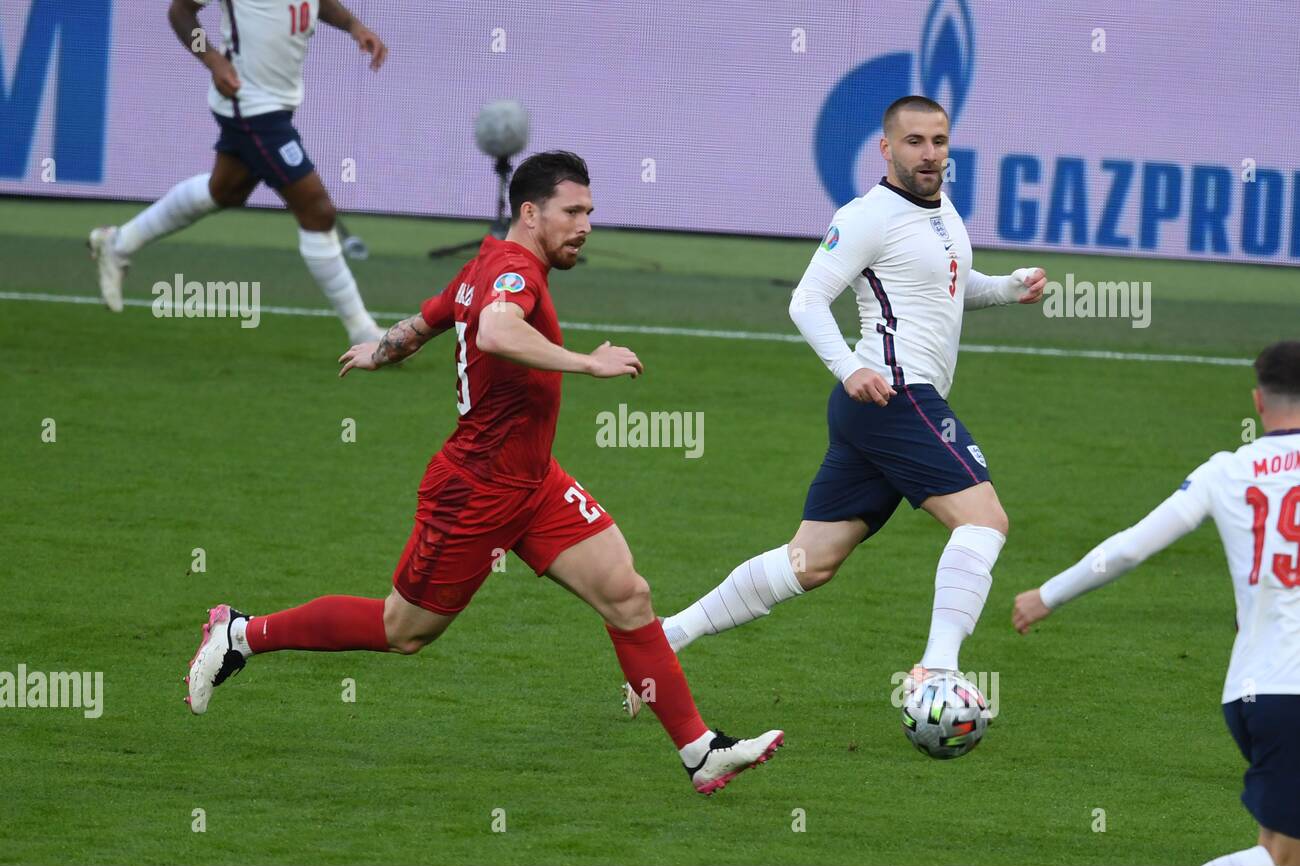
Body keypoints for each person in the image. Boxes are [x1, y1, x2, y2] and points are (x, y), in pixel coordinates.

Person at [185, 151, 784, 795]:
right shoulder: (514, 271)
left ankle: (699, 752)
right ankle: (241, 634)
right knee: (403, 630)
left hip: (535, 482)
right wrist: (588, 363)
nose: (585, 226)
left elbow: (430, 320)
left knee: (628, 595)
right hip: (476, 489)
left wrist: (382, 351)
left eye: (590, 212)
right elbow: (497, 333)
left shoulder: (484, 264)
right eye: (572, 212)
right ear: (530, 213)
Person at [624, 95, 1045, 716]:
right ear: (886, 148)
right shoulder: (868, 216)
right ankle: (937, 670)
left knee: (810, 562)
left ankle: (665, 639)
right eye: (914, 142)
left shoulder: (943, 210)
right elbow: (806, 301)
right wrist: (850, 369)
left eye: (938, 141)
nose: (929, 154)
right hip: (895, 396)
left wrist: (1007, 289)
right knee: (985, 522)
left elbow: (947, 290)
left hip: (879, 411)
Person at [1014, 341, 1300, 866]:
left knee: (1281, 853)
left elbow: (1129, 548)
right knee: (1284, 857)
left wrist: (1047, 594)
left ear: (1259, 402)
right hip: (1290, 695)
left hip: (1257, 692)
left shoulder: (1225, 471)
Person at [89, 0, 387, 344]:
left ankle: (118, 243)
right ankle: (362, 332)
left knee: (224, 190)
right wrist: (211, 58)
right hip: (249, 103)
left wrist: (353, 26)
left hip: (277, 104)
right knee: (317, 210)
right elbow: (180, 11)